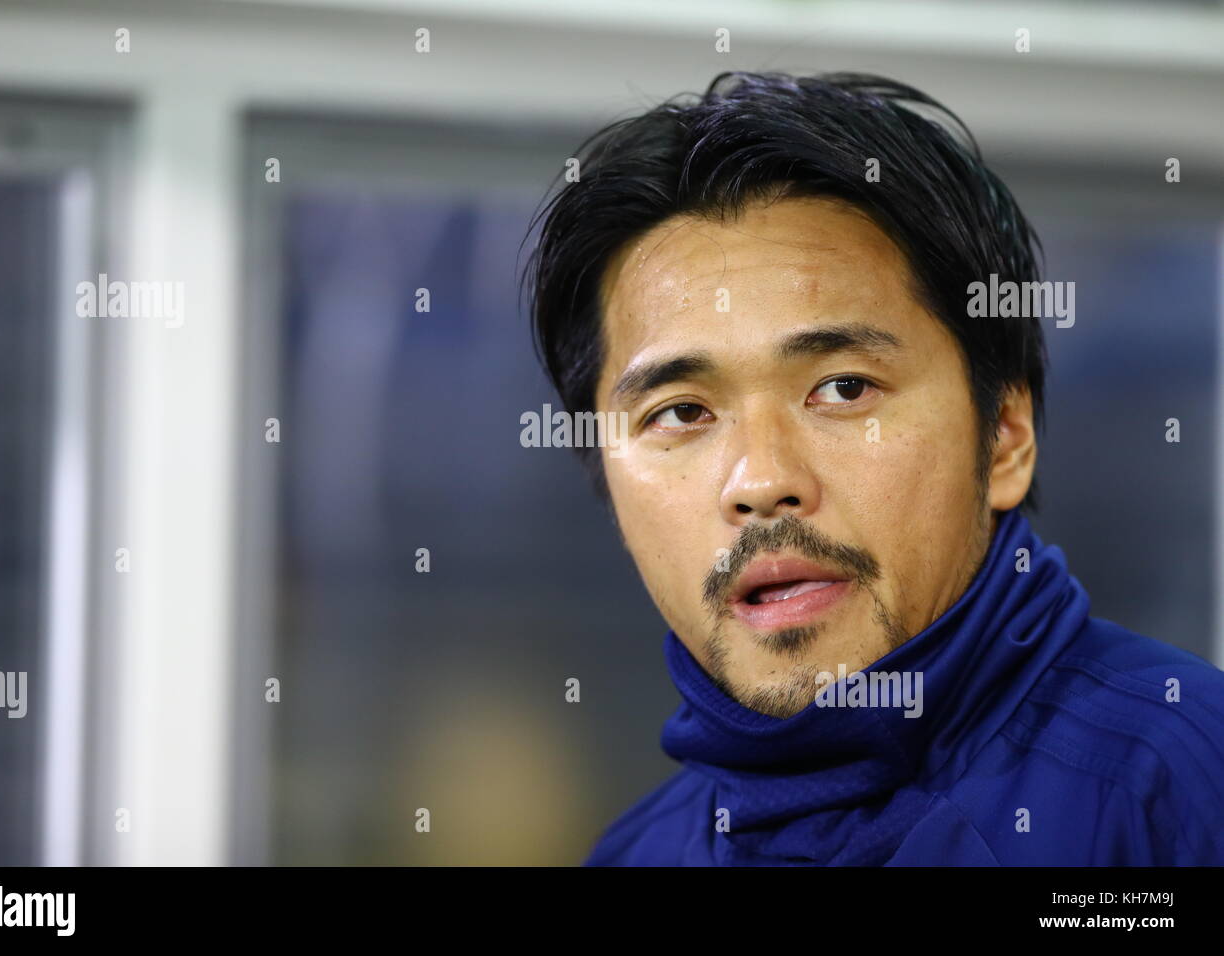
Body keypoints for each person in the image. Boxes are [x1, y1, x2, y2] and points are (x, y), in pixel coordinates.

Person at [523, 71, 1224, 865]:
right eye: (681, 413)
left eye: (843, 389)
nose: (761, 481)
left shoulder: (1184, 791)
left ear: (1004, 437)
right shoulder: (635, 856)